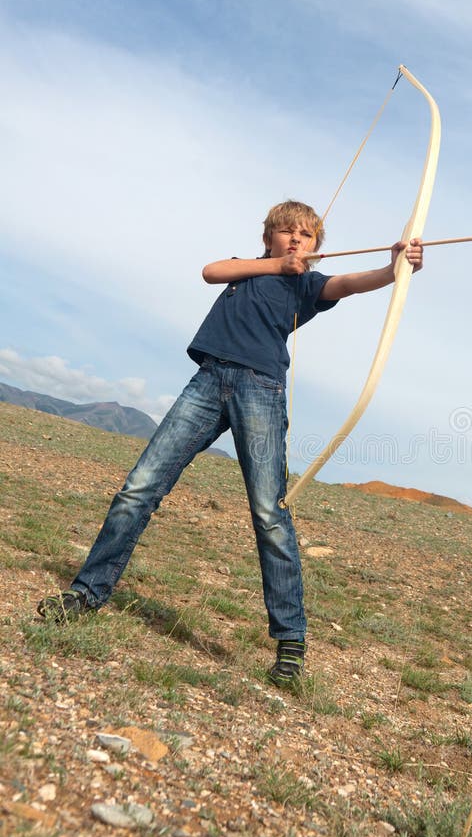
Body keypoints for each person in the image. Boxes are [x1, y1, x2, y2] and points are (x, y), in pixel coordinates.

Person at [36, 199, 423, 686]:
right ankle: (86, 593)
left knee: (268, 512)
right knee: (140, 487)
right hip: (207, 382)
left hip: (261, 390)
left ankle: (290, 643)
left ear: (317, 248)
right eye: (288, 232)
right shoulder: (246, 269)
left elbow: (351, 283)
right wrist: (276, 264)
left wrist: (395, 267)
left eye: (307, 236)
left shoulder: (308, 285)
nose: (298, 240)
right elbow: (209, 270)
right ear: (270, 237)